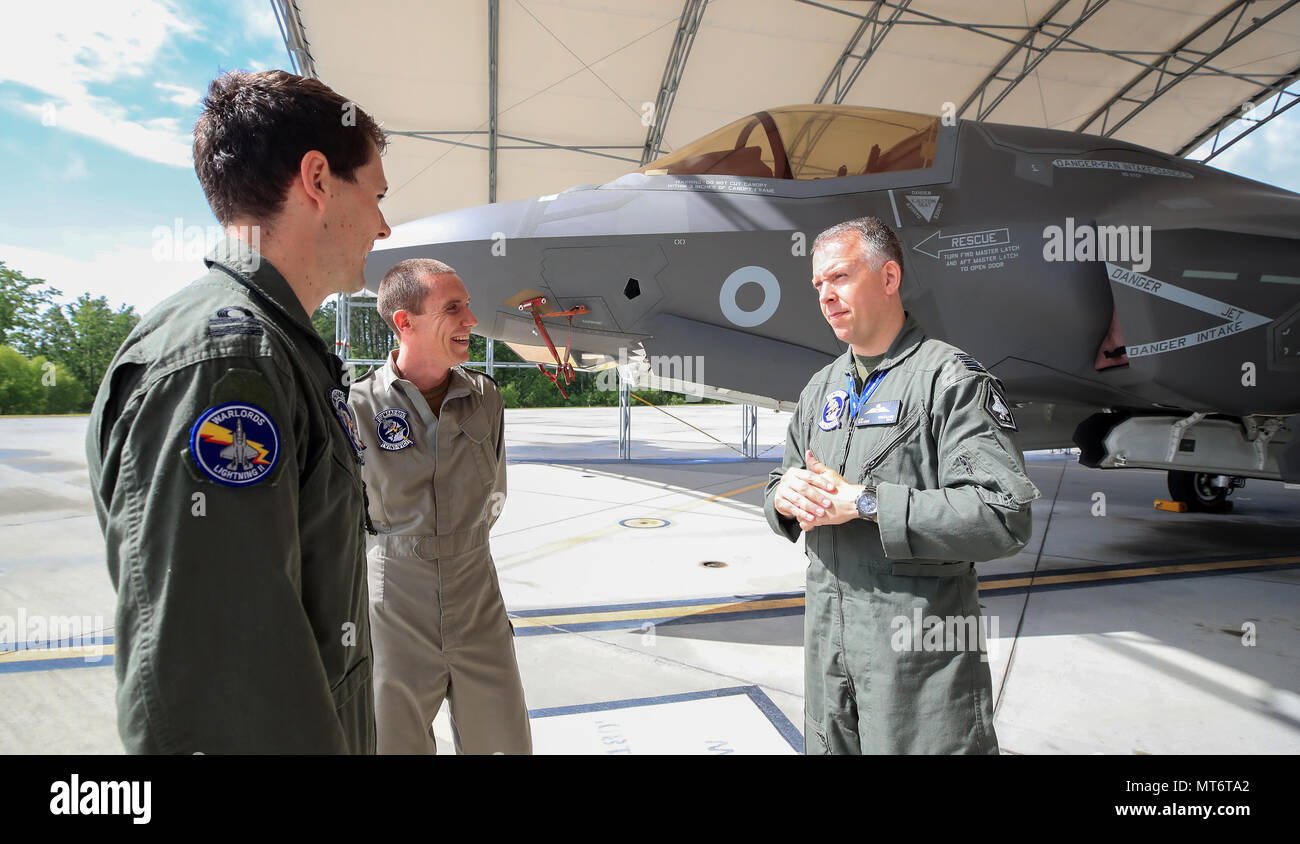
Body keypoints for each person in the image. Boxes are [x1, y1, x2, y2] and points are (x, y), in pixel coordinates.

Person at [85, 70, 391, 753]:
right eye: (375, 194)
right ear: (317, 179)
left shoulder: (270, 351)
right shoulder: (228, 366)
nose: (383, 223)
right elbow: (222, 691)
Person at [764, 216, 1041, 754]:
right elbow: (785, 475)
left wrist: (867, 504)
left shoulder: (950, 380)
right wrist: (781, 496)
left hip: (917, 674)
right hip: (828, 660)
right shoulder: (821, 388)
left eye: (840, 277)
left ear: (889, 278)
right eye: (818, 284)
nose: (826, 295)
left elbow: (1004, 516)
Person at [348, 258, 531, 755]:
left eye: (468, 306)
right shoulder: (355, 407)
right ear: (404, 321)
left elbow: (495, 489)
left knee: (503, 742)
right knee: (393, 744)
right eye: (453, 308)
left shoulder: (485, 398)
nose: (471, 320)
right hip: (394, 601)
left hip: (477, 592)